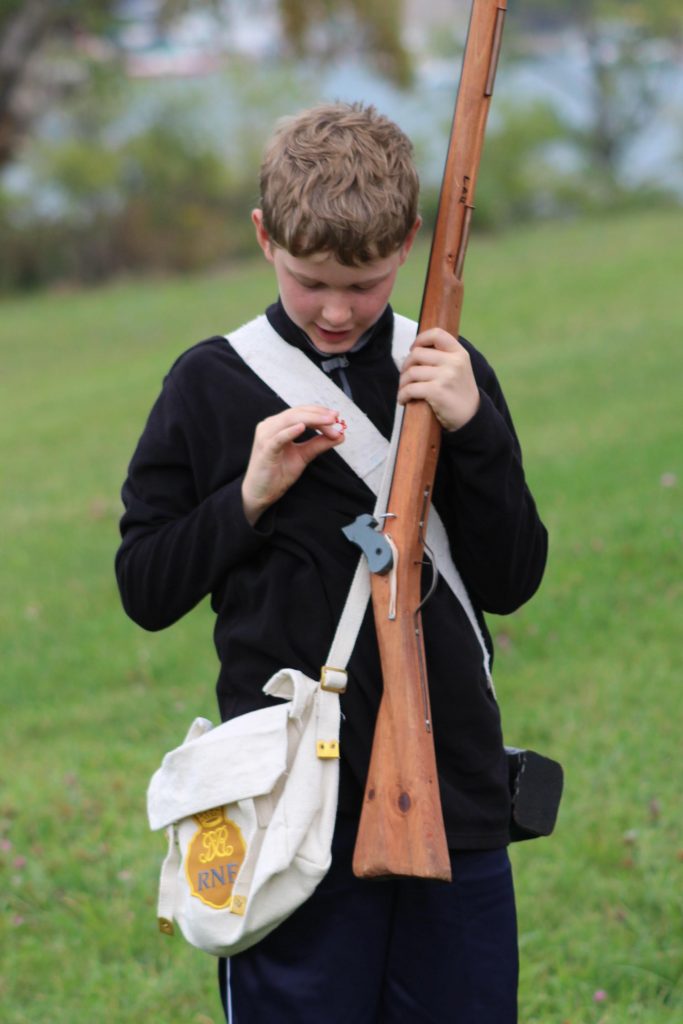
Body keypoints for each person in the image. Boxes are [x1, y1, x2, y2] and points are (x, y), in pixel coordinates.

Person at [116, 101, 547, 1023]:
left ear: (409, 241)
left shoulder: (447, 370)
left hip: (450, 784)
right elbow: (144, 587)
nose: (338, 310)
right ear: (263, 237)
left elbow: (513, 578)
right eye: (310, 281)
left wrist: (473, 429)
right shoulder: (208, 383)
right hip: (284, 806)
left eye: (365, 281)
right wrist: (246, 496)